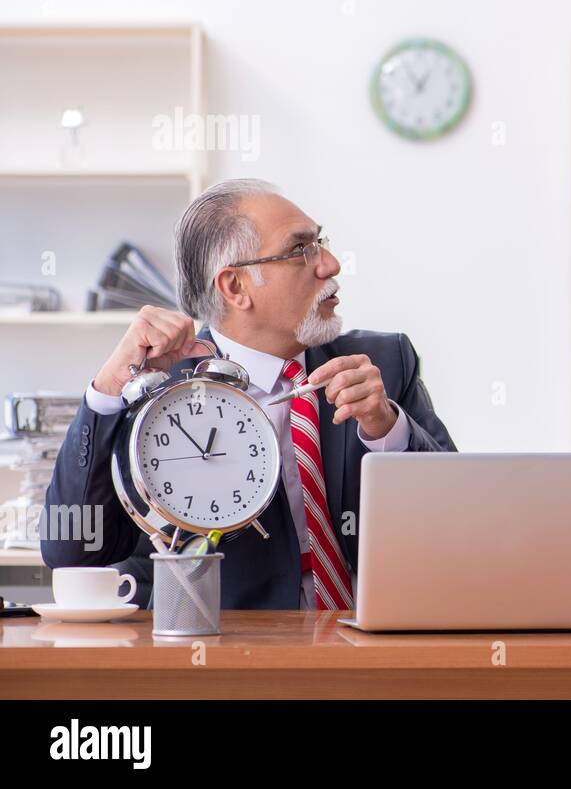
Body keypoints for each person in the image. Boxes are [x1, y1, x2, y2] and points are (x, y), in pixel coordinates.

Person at [41, 179, 456, 609]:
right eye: (301, 250)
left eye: (321, 243)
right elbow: (71, 550)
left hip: (377, 645)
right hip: (229, 656)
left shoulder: (382, 364)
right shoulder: (157, 395)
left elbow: (458, 517)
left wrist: (388, 429)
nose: (330, 265)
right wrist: (107, 390)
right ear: (235, 287)